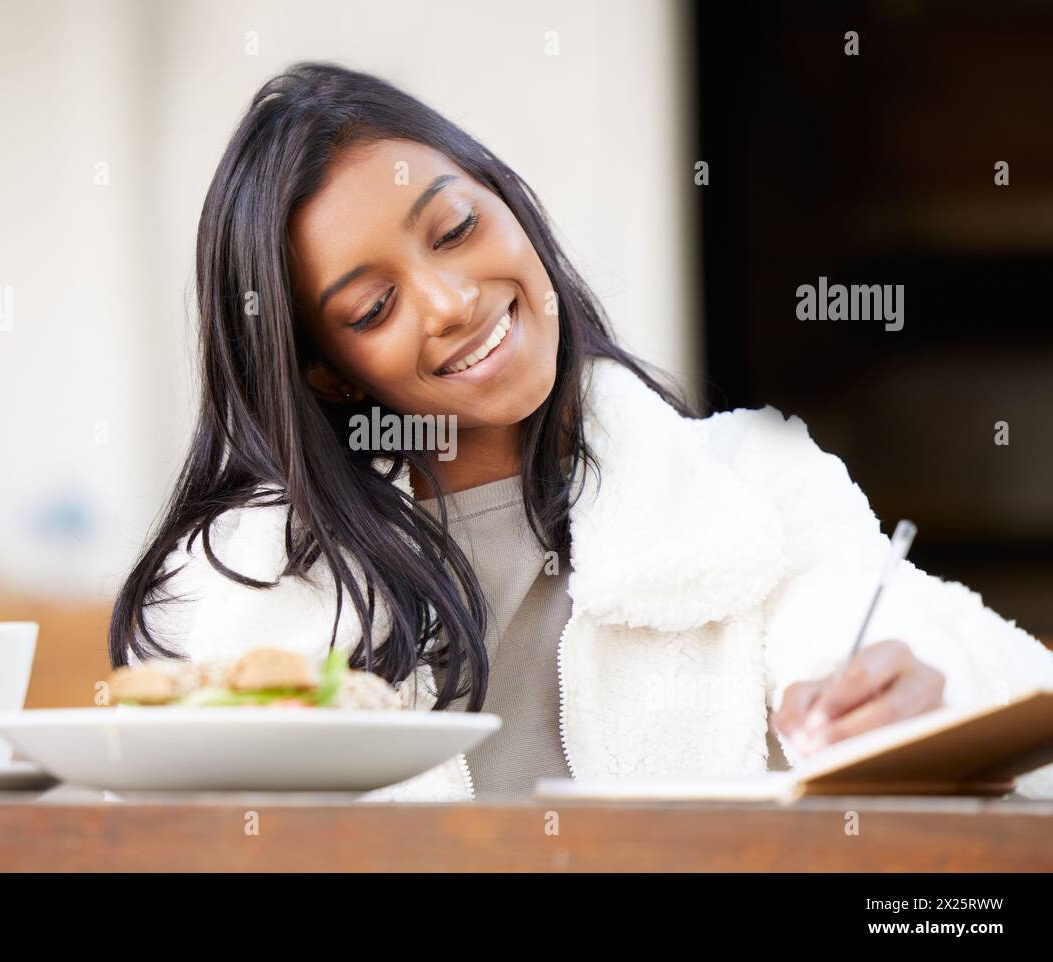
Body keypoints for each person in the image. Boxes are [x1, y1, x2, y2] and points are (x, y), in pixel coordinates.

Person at [109, 62, 1053, 801]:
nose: (450, 300)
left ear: (506, 201)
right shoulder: (242, 584)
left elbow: (932, 649)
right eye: (373, 306)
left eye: (454, 229)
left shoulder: (747, 487)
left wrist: (919, 692)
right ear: (324, 369)